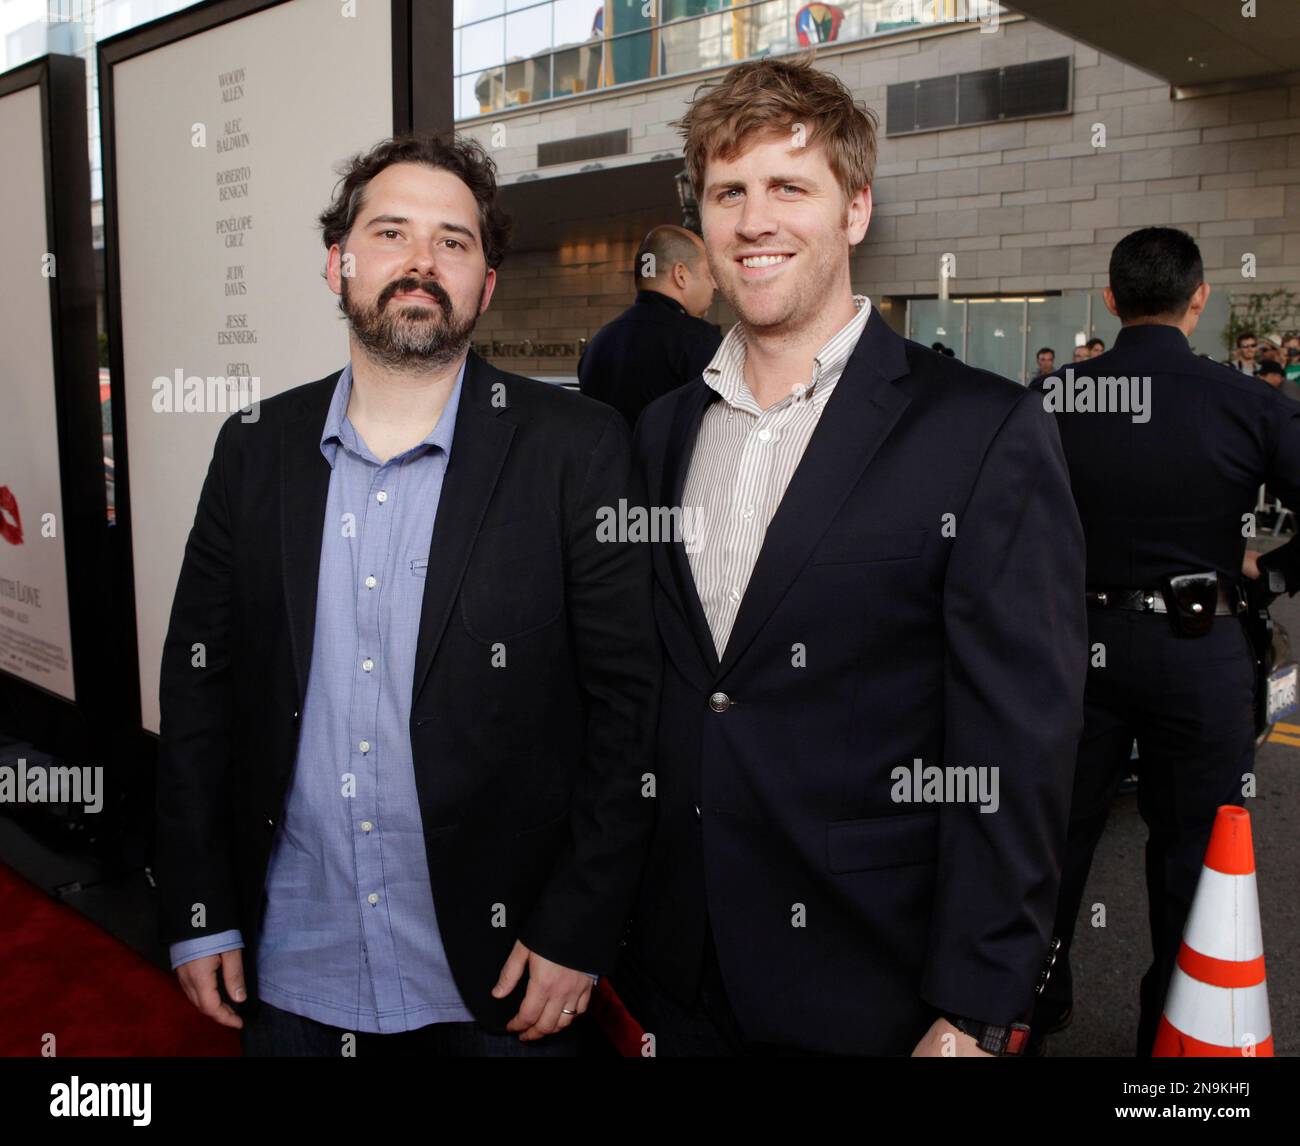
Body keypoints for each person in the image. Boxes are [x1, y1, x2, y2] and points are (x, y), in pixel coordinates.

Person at [615, 55, 1087, 1058]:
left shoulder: (979, 431)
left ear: (854, 211)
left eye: (790, 187)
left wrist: (971, 1004)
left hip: (876, 982)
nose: (754, 220)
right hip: (676, 971)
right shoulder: (660, 430)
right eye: (727, 192)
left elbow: (1017, 746)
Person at [156, 134, 661, 1057]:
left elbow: (630, 708)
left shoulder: (576, 449)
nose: (421, 262)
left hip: (505, 978)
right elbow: (200, 693)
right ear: (338, 263)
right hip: (292, 963)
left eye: (454, 242)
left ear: (486, 285)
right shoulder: (254, 448)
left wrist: (579, 924)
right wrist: (199, 905)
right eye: (390, 233)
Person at [1029, 226, 1300, 1056]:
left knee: (1051, 836)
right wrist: (1274, 573)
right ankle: (1169, 1035)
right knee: (1193, 851)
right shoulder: (1251, 401)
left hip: (1073, 645)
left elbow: (995, 528)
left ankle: (1031, 1002)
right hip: (1203, 648)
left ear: (1110, 301)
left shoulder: (1053, 399)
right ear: (1200, 298)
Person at [578, 225, 722, 427]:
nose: (715, 285)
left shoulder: (599, 342)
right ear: (680, 275)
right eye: (709, 274)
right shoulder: (698, 339)